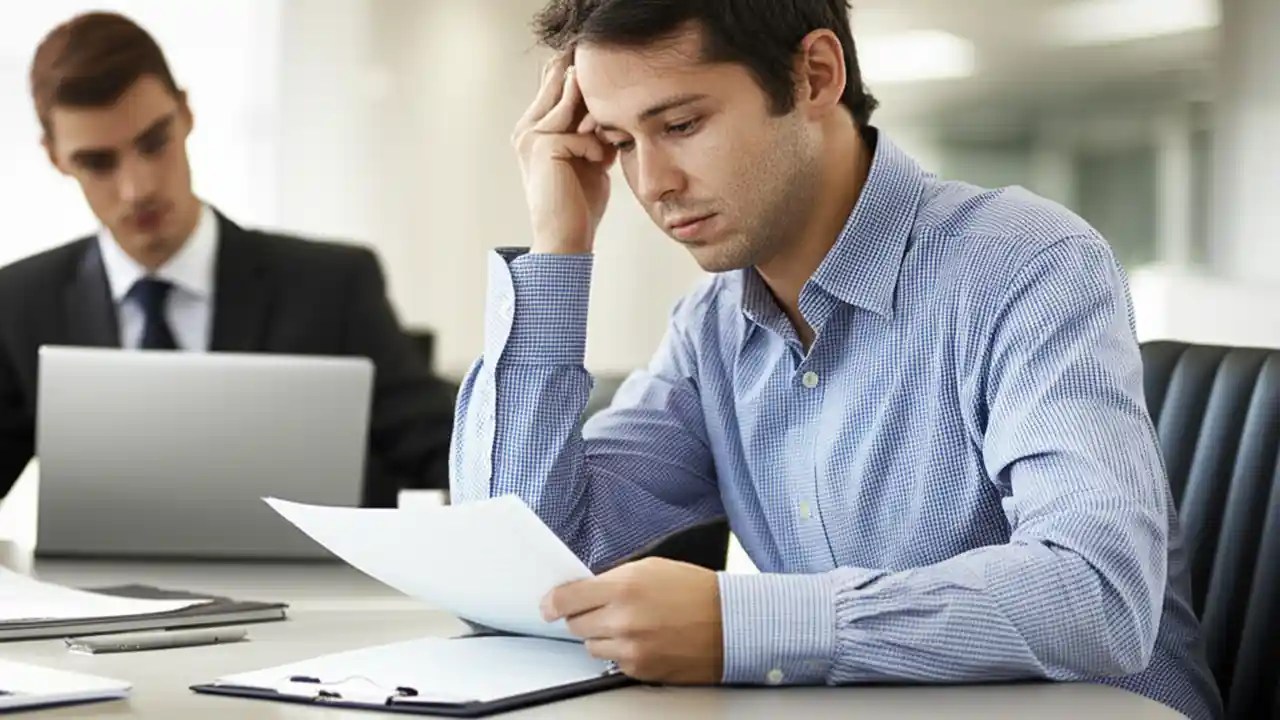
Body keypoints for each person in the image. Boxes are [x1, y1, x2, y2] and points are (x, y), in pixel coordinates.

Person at [449, 1, 1223, 717]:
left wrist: (743, 624)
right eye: (619, 143)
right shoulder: (711, 328)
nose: (651, 185)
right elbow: (529, 559)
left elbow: (1095, 597)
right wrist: (559, 246)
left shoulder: (1026, 264)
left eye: (681, 124)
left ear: (814, 75)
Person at [0, 12, 455, 507]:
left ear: (187, 114)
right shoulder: (21, 305)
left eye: (154, 143)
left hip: (304, 586)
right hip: (89, 587)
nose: (138, 189)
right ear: (54, 157)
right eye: (98, 162)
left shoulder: (332, 287)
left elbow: (452, 455)